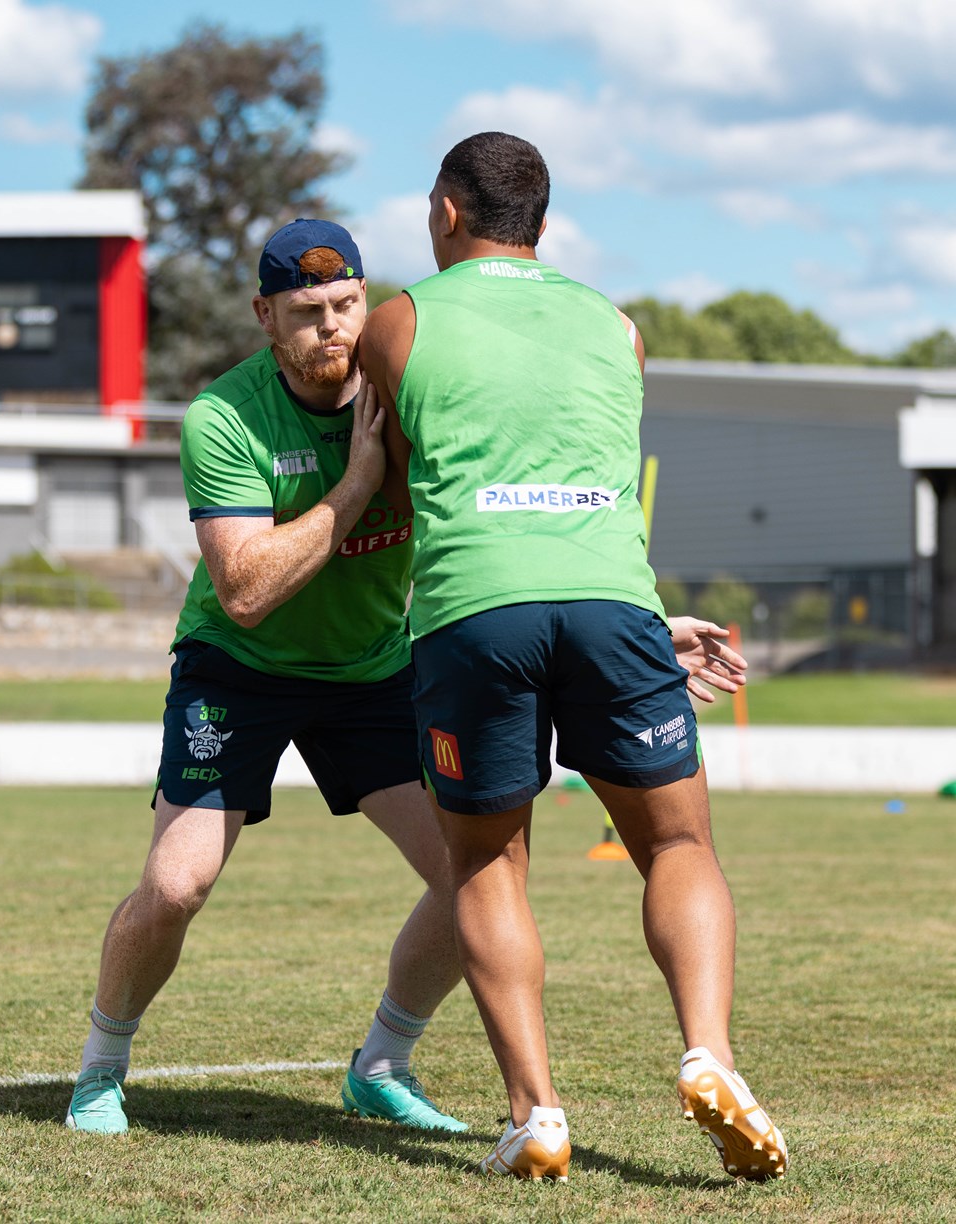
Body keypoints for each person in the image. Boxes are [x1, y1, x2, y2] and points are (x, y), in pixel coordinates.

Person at [64, 217, 751, 1141]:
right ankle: (102, 1066)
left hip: (376, 667)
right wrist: (353, 486)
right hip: (241, 667)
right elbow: (245, 591)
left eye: (347, 304)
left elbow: (498, 527)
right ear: (265, 317)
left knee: (467, 873)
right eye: (306, 312)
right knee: (178, 884)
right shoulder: (223, 417)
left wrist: (637, 630)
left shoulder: (410, 388)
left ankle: (381, 1062)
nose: (333, 329)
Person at [360, 132, 788, 1183]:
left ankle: (536, 1113)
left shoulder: (399, 322)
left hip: (473, 609)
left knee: (486, 861)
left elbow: (403, 489)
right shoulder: (618, 327)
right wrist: (645, 627)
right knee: (679, 843)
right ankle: (710, 1053)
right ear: (542, 225)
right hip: (613, 603)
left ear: (449, 213)